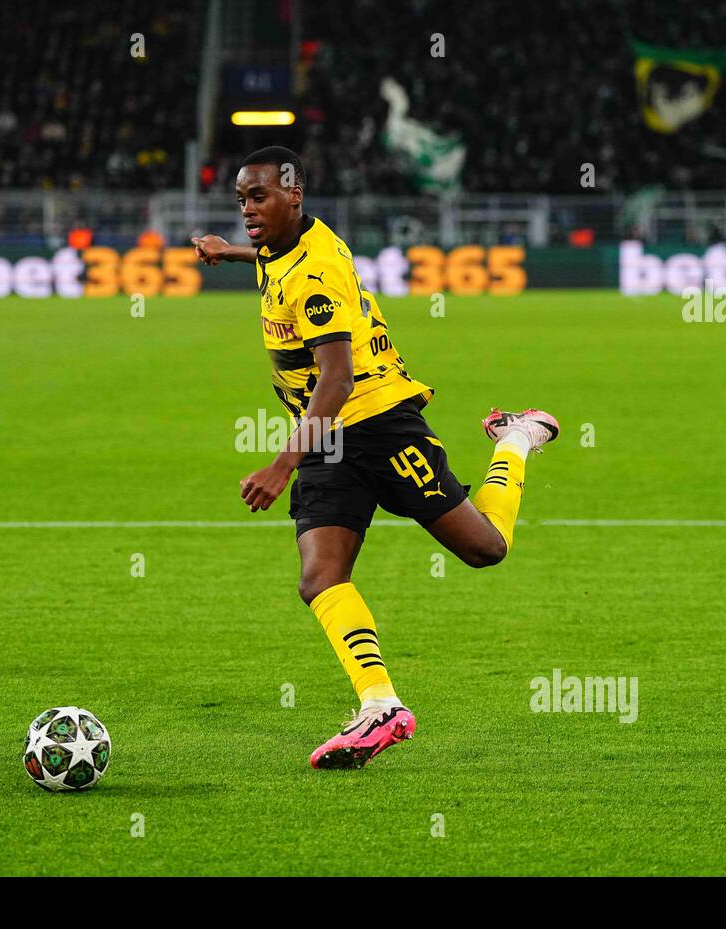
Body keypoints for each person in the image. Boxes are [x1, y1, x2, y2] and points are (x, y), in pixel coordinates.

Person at [191, 146, 560, 769]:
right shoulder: (286, 245)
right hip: (328, 438)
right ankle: (380, 703)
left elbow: (335, 380)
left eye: (259, 198)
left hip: (378, 425)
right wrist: (231, 250)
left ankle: (516, 439)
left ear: (294, 195)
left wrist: (280, 466)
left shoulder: (315, 274)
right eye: (241, 200)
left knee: (485, 548)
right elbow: (273, 261)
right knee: (319, 577)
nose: (248, 210)